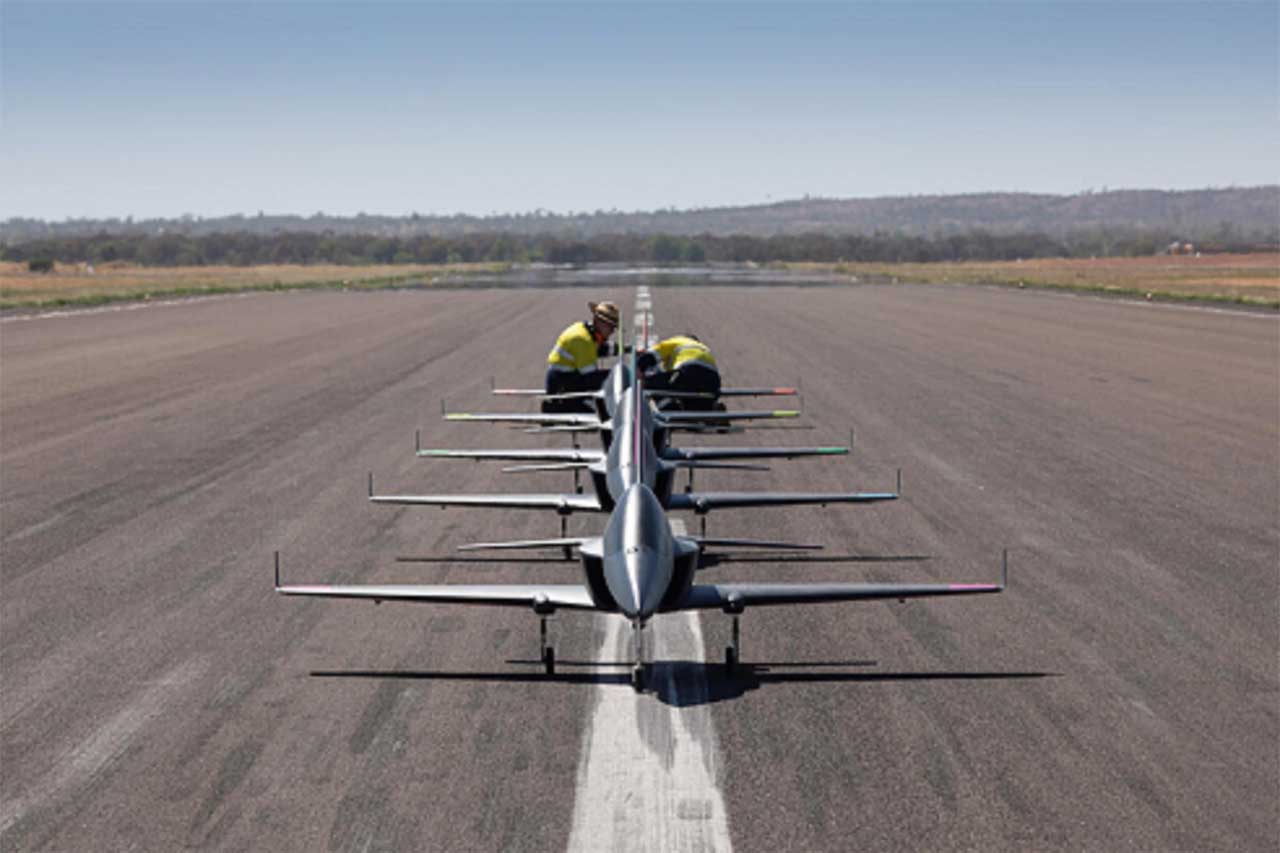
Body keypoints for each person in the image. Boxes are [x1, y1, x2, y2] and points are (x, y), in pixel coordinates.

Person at [543, 300, 620, 413]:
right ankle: (554, 407)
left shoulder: (585, 330)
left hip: (564, 378)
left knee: (609, 377)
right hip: (562, 384)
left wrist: (628, 349)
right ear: (599, 322)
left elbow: (601, 349)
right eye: (611, 327)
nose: (613, 331)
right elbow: (591, 377)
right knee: (610, 378)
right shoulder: (583, 339)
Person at [638, 334, 721, 411]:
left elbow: (650, 355)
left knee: (650, 383)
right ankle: (710, 410)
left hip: (688, 371)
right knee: (693, 403)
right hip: (713, 380)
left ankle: (668, 408)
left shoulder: (678, 341)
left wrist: (639, 367)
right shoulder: (704, 348)